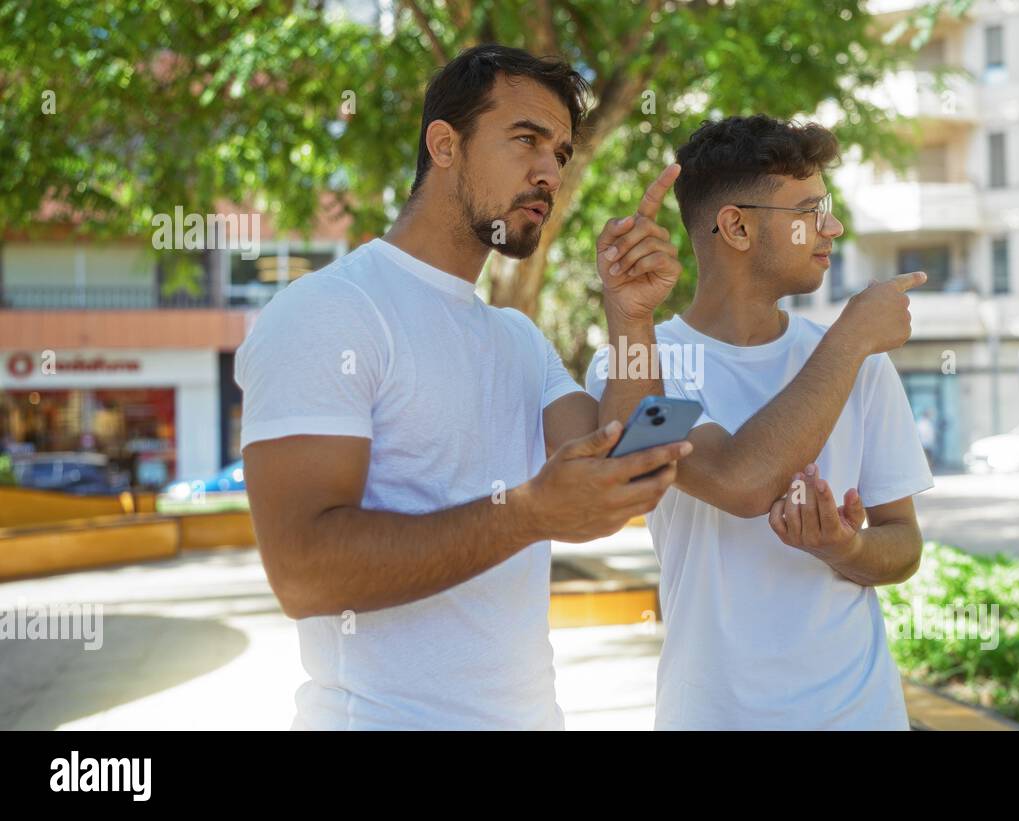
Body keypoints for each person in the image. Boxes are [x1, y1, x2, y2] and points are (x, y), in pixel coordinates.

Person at [235, 45, 690, 730]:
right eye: (527, 140)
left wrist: (630, 314)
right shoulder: (330, 312)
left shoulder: (517, 339)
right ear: (444, 145)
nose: (549, 172)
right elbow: (303, 572)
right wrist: (528, 512)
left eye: (561, 154)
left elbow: (614, 477)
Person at [587, 115, 934, 729]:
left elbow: (903, 544)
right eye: (809, 209)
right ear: (737, 226)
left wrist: (845, 547)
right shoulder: (640, 363)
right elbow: (738, 480)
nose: (833, 227)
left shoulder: (859, 362)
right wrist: (852, 335)